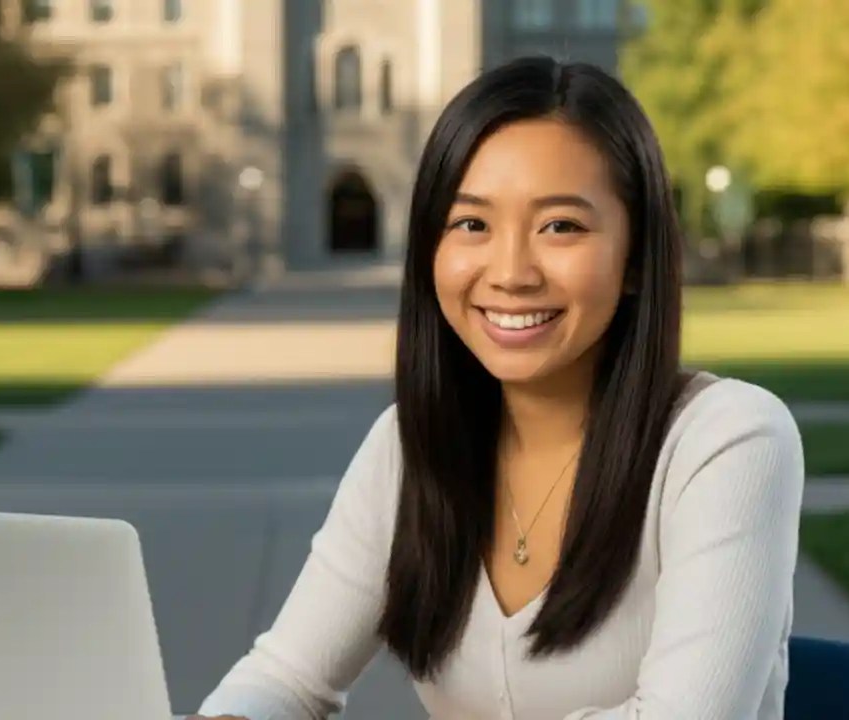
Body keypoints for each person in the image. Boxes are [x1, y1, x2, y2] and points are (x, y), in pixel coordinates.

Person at [189, 57, 804, 720]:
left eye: (560, 226)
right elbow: (286, 678)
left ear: (636, 258)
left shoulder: (726, 440)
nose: (510, 273)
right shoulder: (408, 449)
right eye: (471, 225)